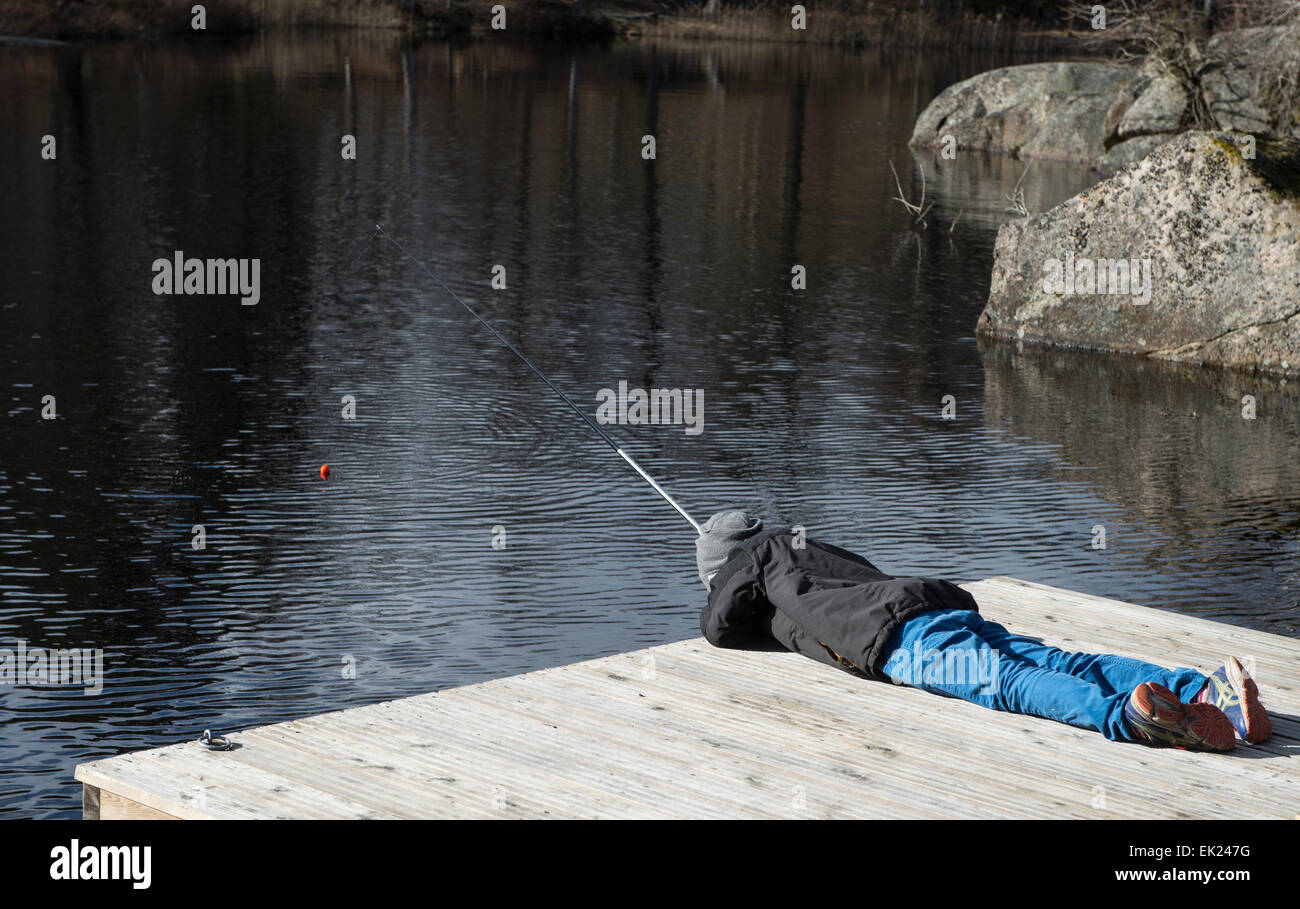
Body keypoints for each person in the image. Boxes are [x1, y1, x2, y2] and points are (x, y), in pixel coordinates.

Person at [695, 511, 1271, 751]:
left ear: (728, 571)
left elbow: (720, 629)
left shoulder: (760, 557)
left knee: (1009, 683)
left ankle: (1132, 717)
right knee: (1061, 660)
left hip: (906, 644)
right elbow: (772, 618)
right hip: (931, 605)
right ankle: (1199, 688)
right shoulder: (802, 552)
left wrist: (726, 573)